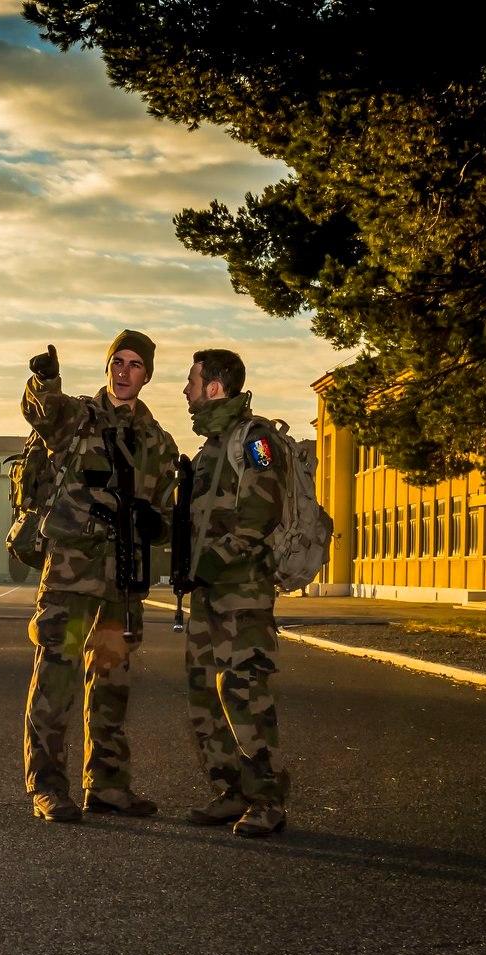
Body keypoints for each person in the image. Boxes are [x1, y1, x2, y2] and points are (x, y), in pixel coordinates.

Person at [20, 332, 178, 822]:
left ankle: (107, 785)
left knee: (112, 683)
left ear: (147, 375)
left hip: (122, 579)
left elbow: (168, 511)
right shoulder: (77, 416)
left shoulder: (159, 441)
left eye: (135, 364)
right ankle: (48, 787)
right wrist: (45, 381)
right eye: (117, 362)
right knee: (56, 676)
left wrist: (158, 524)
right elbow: (42, 413)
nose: (124, 371)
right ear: (107, 367)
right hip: (71, 574)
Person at [179, 348, 290, 838]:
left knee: (243, 690)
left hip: (243, 592)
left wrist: (215, 558)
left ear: (214, 388)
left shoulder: (255, 439)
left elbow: (261, 511)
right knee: (204, 690)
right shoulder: (211, 447)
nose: (186, 391)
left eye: (192, 381)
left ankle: (268, 799)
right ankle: (230, 790)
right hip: (209, 592)